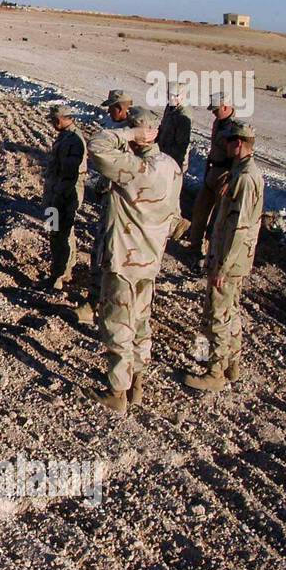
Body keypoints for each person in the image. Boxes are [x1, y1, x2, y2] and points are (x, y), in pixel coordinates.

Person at [82, 107, 182, 413]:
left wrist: (127, 135)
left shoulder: (133, 167)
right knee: (141, 323)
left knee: (117, 327)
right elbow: (175, 216)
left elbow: (97, 144)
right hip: (150, 260)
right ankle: (137, 384)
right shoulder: (171, 167)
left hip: (124, 260)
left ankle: (117, 393)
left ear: (139, 134)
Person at [185, 123, 265, 391]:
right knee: (231, 309)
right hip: (236, 258)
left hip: (229, 260)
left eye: (230, 142)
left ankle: (215, 371)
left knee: (217, 313)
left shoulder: (244, 178)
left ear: (240, 144)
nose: (226, 147)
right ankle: (232, 363)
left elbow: (240, 227)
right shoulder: (242, 172)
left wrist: (222, 265)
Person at [73, 90, 130, 323]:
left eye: (112, 108)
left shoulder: (125, 137)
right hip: (113, 200)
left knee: (104, 252)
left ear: (121, 108)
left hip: (118, 205)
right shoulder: (126, 133)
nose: (108, 112)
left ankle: (97, 302)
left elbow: (99, 150)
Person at [184, 92, 236, 256]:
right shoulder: (218, 123)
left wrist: (229, 181)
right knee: (200, 210)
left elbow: (238, 159)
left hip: (225, 174)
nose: (213, 113)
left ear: (226, 107)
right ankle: (194, 245)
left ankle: (211, 253)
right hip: (212, 172)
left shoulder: (235, 129)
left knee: (218, 219)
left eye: (216, 110)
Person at [41, 104, 87, 289]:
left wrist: (57, 198)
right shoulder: (66, 137)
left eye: (53, 120)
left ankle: (59, 275)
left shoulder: (73, 140)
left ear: (60, 119)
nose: (52, 123)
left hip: (63, 195)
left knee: (61, 234)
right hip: (57, 193)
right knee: (58, 232)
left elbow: (70, 174)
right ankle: (64, 271)